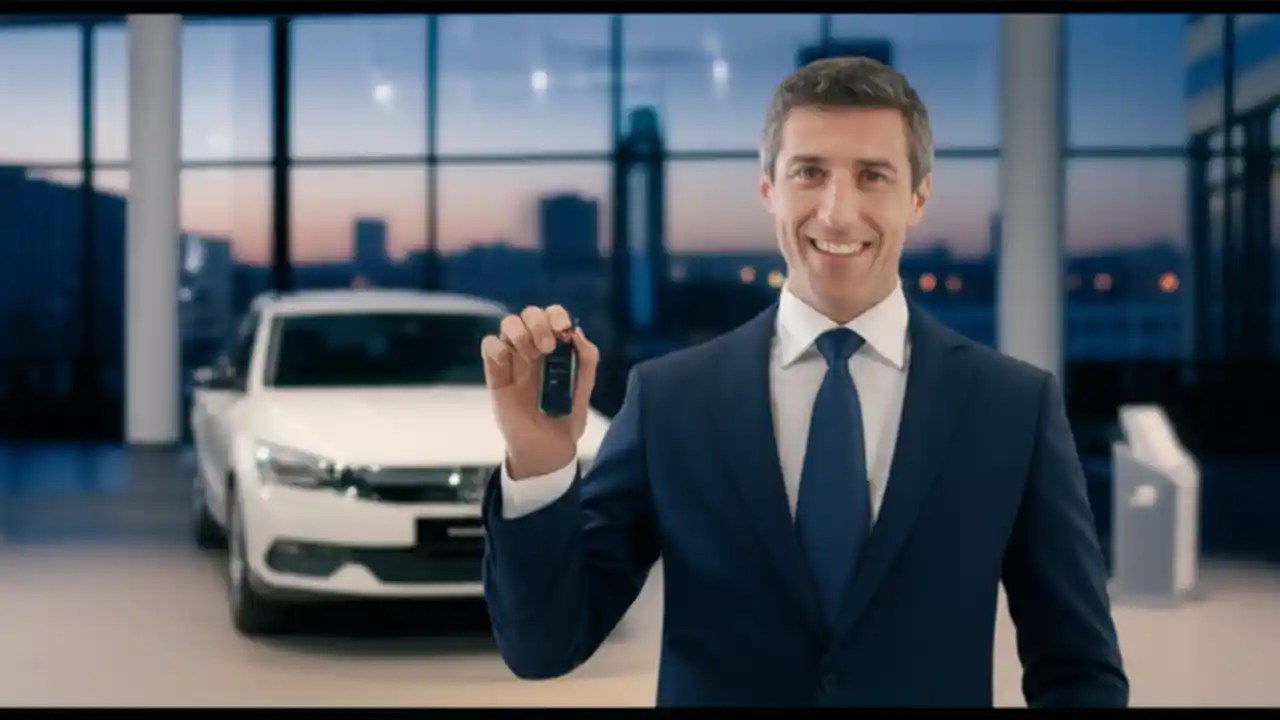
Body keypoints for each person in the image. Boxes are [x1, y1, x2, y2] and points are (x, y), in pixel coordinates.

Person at [477, 56, 1128, 708]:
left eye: (872, 176)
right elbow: (543, 646)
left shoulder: (1013, 408)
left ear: (919, 196)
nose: (837, 212)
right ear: (769, 188)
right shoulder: (669, 401)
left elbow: (1080, 673)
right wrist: (540, 463)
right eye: (809, 173)